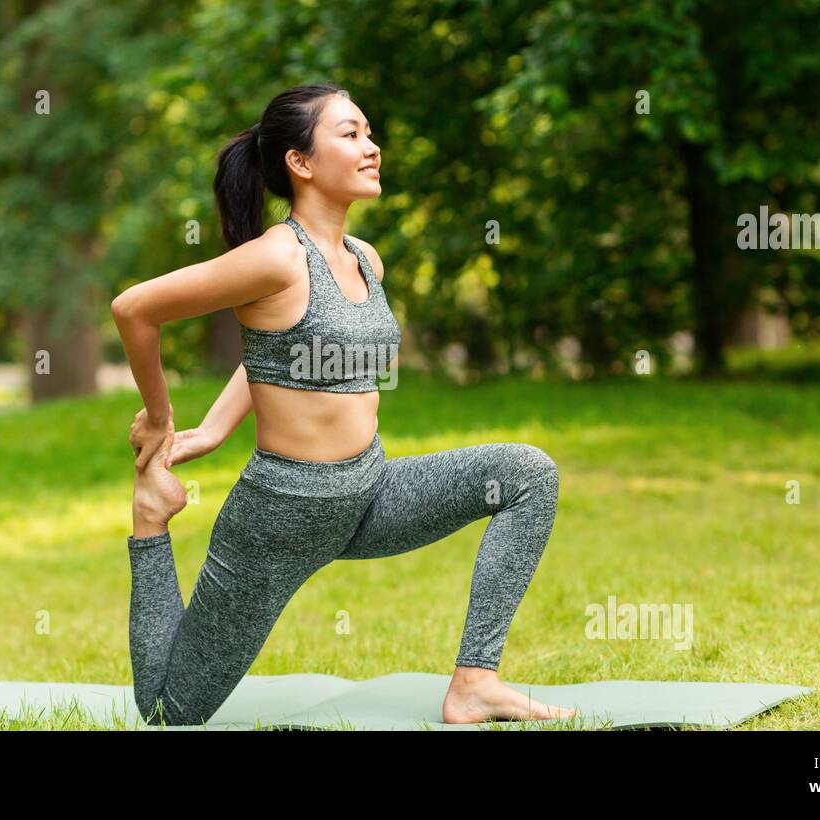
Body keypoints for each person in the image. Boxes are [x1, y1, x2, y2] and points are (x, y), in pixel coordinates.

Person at [111, 82, 570, 726]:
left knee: (527, 475)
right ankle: (150, 516)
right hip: (281, 519)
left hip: (369, 493)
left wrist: (215, 429)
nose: (372, 147)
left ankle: (475, 683)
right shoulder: (274, 256)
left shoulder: (365, 260)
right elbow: (134, 309)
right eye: (350, 134)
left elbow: (284, 347)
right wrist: (161, 419)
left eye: (369, 132)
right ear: (300, 163)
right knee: (170, 715)